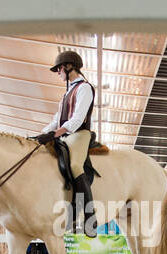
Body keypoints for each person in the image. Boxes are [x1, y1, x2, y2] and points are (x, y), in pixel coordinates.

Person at [33, 50, 99, 237]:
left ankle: (89, 217)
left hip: (80, 134)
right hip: (64, 135)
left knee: (75, 164)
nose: (59, 74)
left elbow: (77, 120)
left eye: (59, 70)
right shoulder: (65, 95)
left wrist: (55, 133)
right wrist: (41, 135)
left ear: (68, 67)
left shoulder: (85, 88)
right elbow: (57, 120)